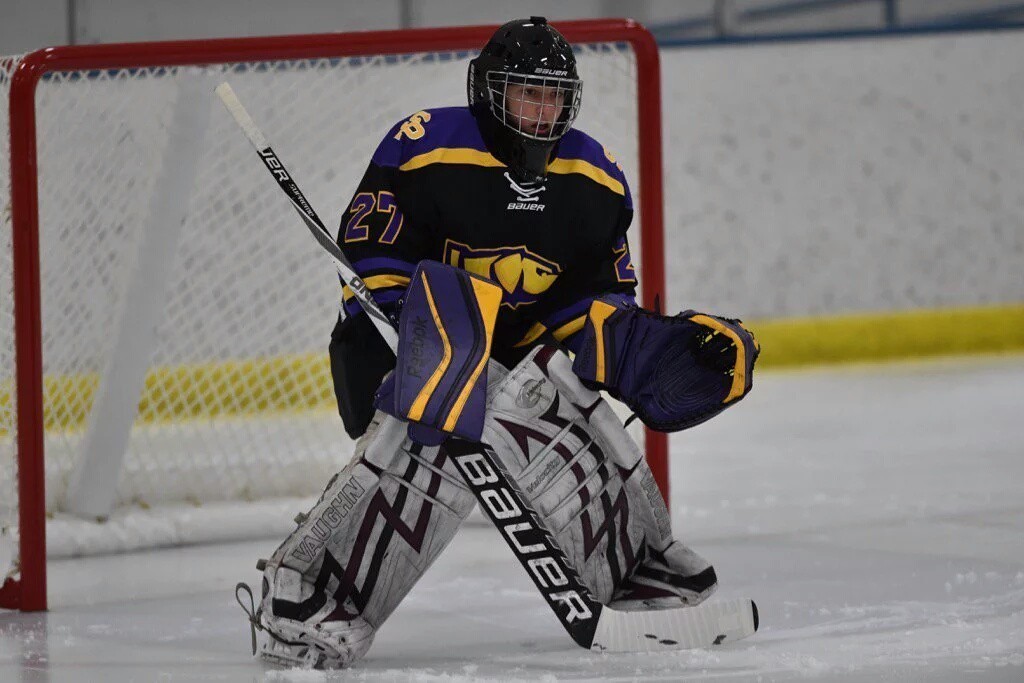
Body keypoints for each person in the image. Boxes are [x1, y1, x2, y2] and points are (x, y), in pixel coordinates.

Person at [237, 17, 758, 669]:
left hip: (513, 362)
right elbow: (374, 262)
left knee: (564, 404)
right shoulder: (425, 149)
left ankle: (632, 569)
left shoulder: (595, 178)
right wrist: (424, 334)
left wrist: (656, 354)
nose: (542, 112)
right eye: (526, 93)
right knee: (430, 421)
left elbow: (595, 306)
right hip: (404, 349)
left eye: (554, 97)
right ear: (487, 91)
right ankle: (307, 598)